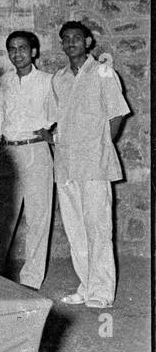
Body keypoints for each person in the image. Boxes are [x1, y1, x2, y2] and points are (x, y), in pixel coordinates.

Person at [51, 21, 129, 309]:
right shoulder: (59, 78)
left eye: (76, 37)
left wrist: (100, 146)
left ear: (87, 42)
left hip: (95, 163)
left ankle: (102, 291)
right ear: (62, 45)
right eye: (66, 39)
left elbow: (117, 114)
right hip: (67, 163)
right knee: (75, 230)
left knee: (97, 227)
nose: (71, 42)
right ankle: (86, 286)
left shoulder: (103, 71)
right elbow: (60, 120)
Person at [0, 30, 56, 290]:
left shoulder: (48, 80)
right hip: (10, 152)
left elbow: (60, 109)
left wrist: (49, 129)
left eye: (22, 48)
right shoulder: (5, 80)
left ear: (34, 52)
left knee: (38, 216)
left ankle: (31, 279)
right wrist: (1, 134)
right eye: (12, 49)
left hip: (36, 150)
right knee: (5, 213)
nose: (17, 53)